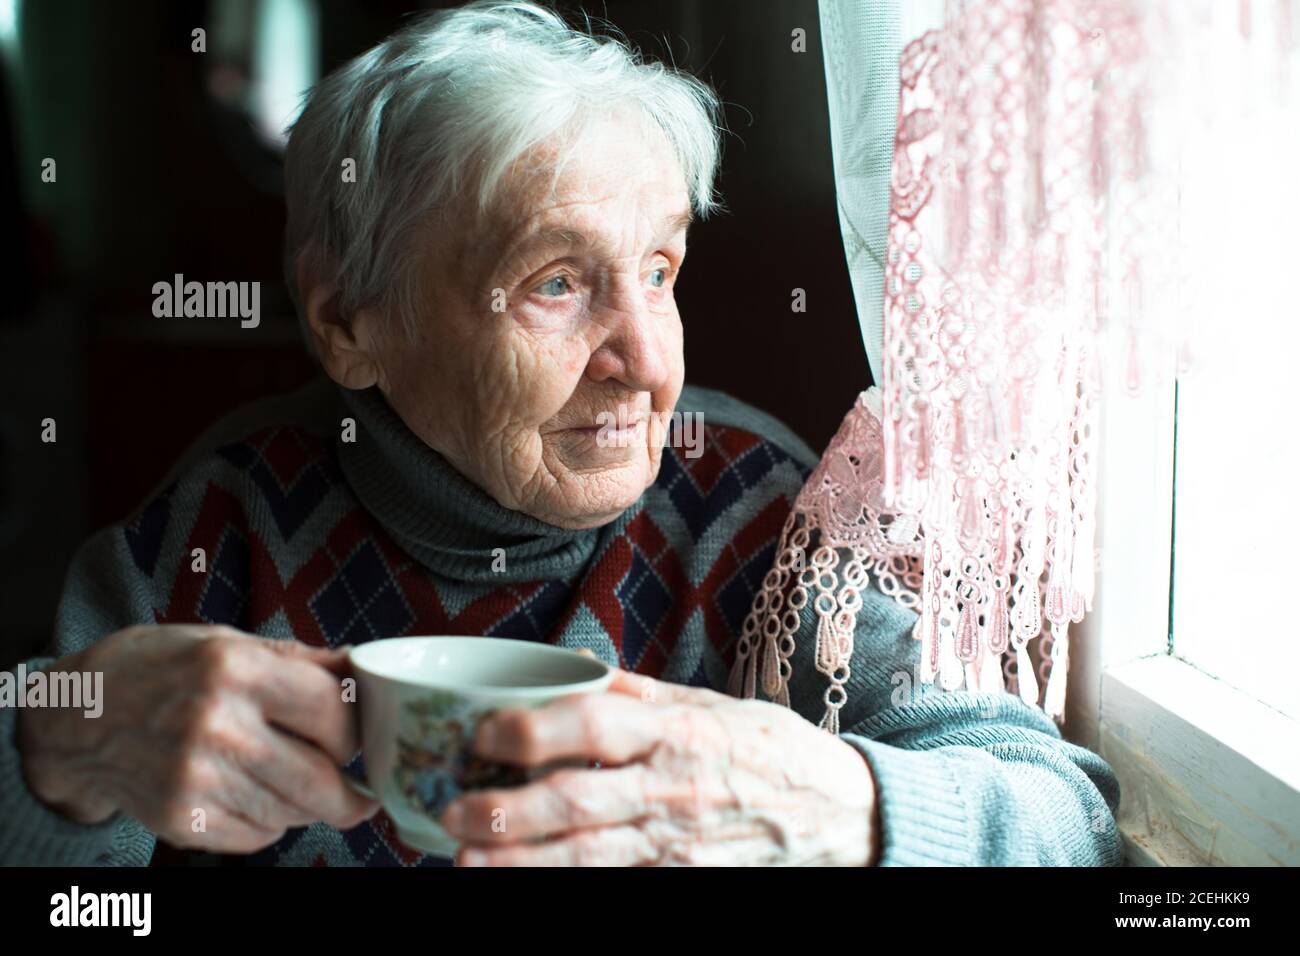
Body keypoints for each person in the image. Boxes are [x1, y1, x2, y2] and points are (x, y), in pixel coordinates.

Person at [0, 0, 1122, 866]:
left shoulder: (765, 517)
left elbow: (1063, 814)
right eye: (553, 283)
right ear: (348, 320)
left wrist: (843, 803)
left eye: (657, 270)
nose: (647, 359)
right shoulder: (223, 520)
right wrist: (63, 751)